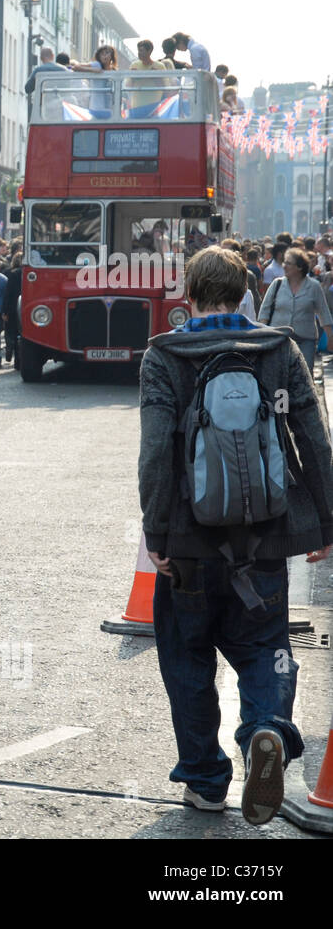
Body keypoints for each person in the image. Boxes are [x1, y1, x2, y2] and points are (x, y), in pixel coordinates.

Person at [139, 245, 333, 825]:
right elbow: (313, 438)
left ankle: (204, 780)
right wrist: (326, 522)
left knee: (187, 657)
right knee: (264, 645)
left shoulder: (164, 354)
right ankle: (266, 730)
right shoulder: (279, 349)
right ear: (247, 291)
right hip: (265, 537)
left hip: (190, 542)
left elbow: (154, 452)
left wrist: (157, 533)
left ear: (189, 295)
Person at [258, 248, 333, 372]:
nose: (284, 266)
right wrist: (262, 334)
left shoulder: (313, 286)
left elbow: (323, 313)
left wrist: (331, 336)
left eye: (288, 263)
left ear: (299, 267)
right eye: (284, 262)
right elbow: (264, 311)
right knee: (278, 375)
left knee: (304, 374)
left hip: (305, 340)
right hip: (278, 339)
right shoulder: (277, 284)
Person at [2, 252, 22, 367]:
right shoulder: (28, 272)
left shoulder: (10, 273)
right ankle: (19, 360)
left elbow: (7, 293)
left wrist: (4, 310)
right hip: (25, 306)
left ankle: (11, 350)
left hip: (12, 307)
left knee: (12, 332)